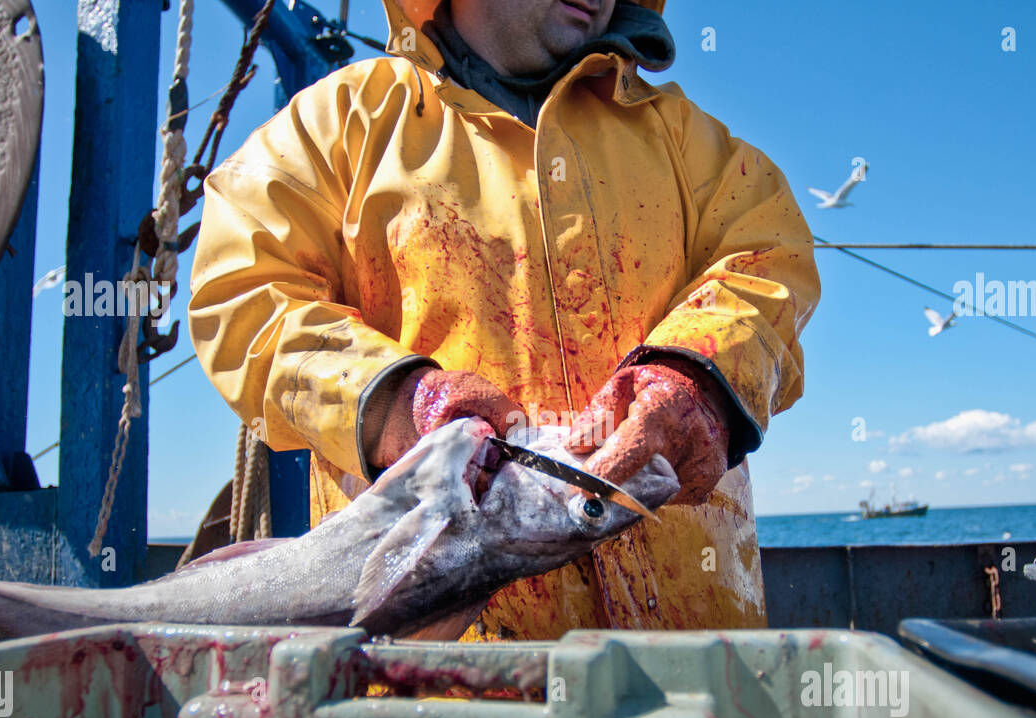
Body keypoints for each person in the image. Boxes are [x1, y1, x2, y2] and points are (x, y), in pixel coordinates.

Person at [188, 0, 819, 640]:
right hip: (430, 687)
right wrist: (398, 404)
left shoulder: (693, 145)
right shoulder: (336, 126)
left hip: (690, 671)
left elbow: (768, 261)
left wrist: (698, 381)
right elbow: (243, 292)